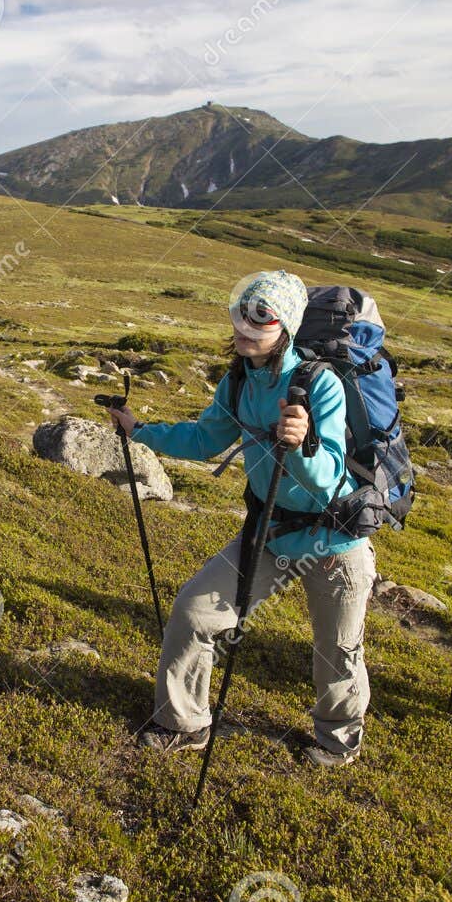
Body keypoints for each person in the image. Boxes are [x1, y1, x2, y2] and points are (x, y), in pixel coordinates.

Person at [105, 270, 376, 768]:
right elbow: (205, 439)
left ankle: (337, 743)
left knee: (335, 652)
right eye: (241, 314)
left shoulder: (320, 386)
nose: (245, 328)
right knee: (192, 611)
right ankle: (183, 725)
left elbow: (330, 478)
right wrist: (140, 430)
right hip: (269, 533)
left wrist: (298, 445)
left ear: (286, 328)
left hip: (333, 540)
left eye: (261, 319)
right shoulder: (238, 381)